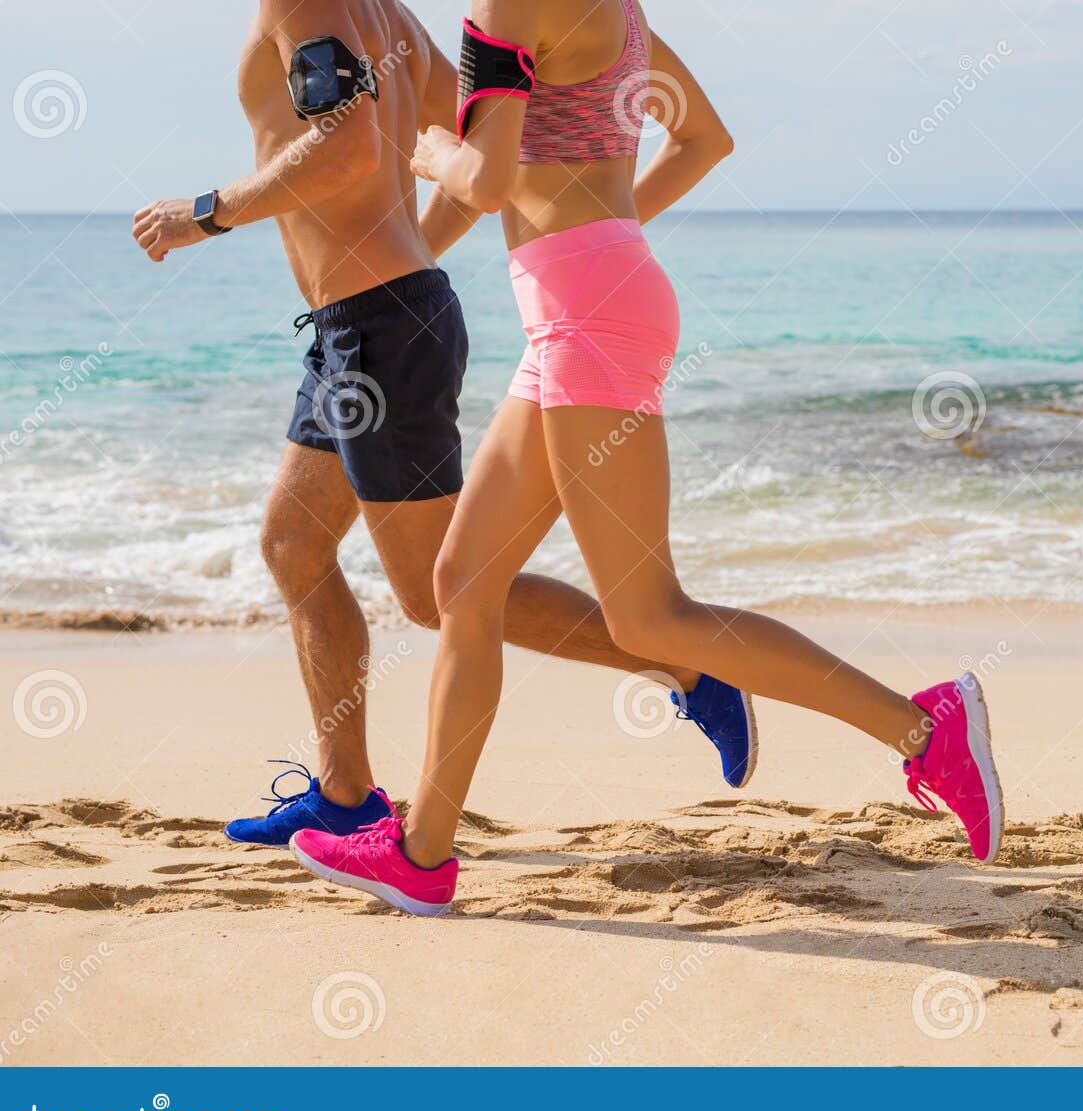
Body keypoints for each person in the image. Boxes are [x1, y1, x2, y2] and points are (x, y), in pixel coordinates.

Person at [289, 0, 1004, 917]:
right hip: (584, 304)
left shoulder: (506, 5)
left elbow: (490, 179)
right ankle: (423, 852)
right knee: (464, 580)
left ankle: (925, 727)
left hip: (587, 317)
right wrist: (605, 237)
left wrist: (430, 154)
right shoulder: (615, 12)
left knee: (649, 616)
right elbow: (705, 140)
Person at [129, 0, 754, 849]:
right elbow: (458, 144)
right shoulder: (389, 18)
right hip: (362, 325)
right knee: (293, 542)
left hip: (376, 332)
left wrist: (207, 213)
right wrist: (407, 265)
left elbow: (347, 145)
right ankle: (346, 792)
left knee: (440, 594)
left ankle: (685, 663)